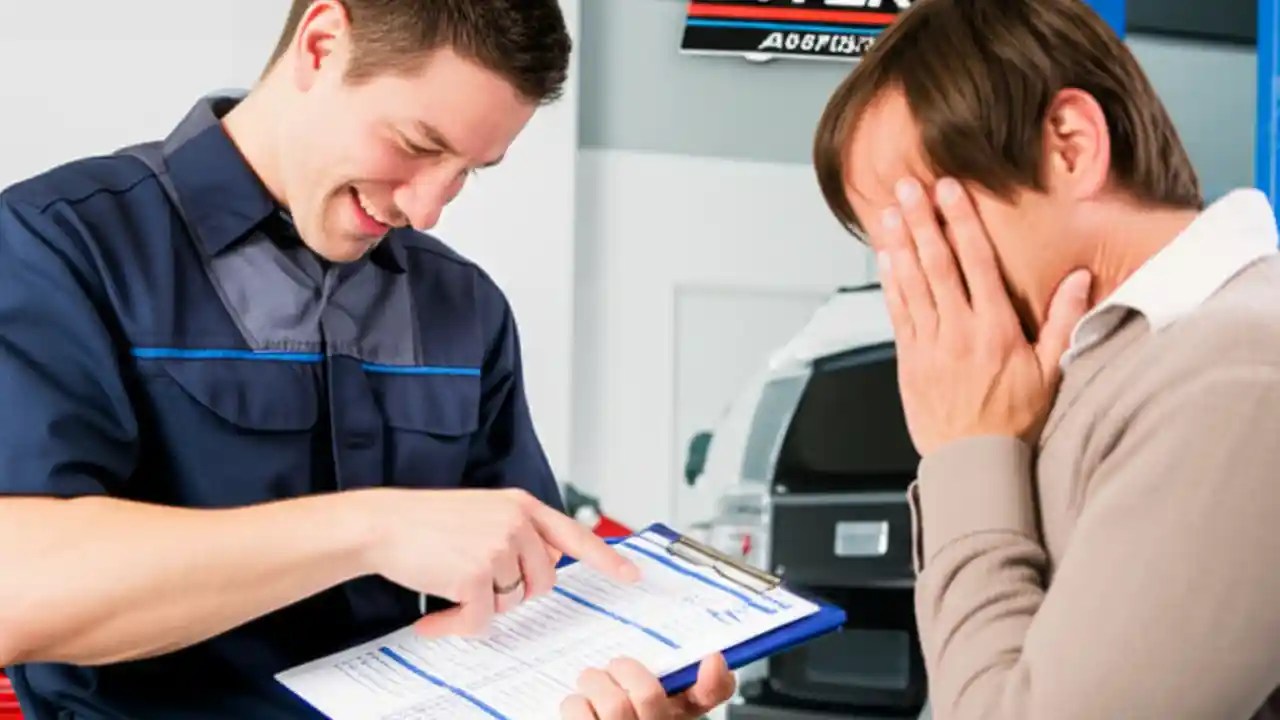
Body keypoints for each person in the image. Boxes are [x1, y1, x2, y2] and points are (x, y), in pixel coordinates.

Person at [0, 1, 736, 718]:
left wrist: (607, 683)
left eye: (468, 170)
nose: (426, 209)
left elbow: (523, 602)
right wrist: (374, 530)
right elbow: (18, 588)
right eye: (417, 145)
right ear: (321, 45)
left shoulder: (463, 305)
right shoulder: (60, 247)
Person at [813, 0, 1280, 718]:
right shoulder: (1089, 375)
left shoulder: (1237, 377)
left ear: (1070, 145)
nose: (912, 283)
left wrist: (966, 451)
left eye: (930, 227)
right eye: (892, 250)